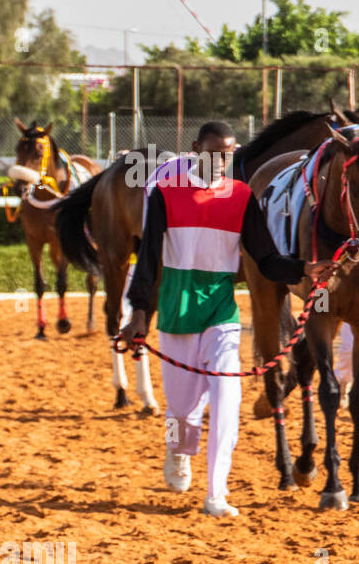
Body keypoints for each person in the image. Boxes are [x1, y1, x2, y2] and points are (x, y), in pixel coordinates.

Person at [120, 122, 334, 517]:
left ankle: (216, 493)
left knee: (226, 400)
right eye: (214, 153)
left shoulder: (241, 196)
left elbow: (267, 259)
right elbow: (147, 261)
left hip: (222, 314)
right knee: (182, 411)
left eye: (229, 154)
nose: (222, 161)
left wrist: (306, 268)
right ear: (195, 148)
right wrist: (138, 315)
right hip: (176, 313)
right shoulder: (166, 195)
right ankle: (179, 450)